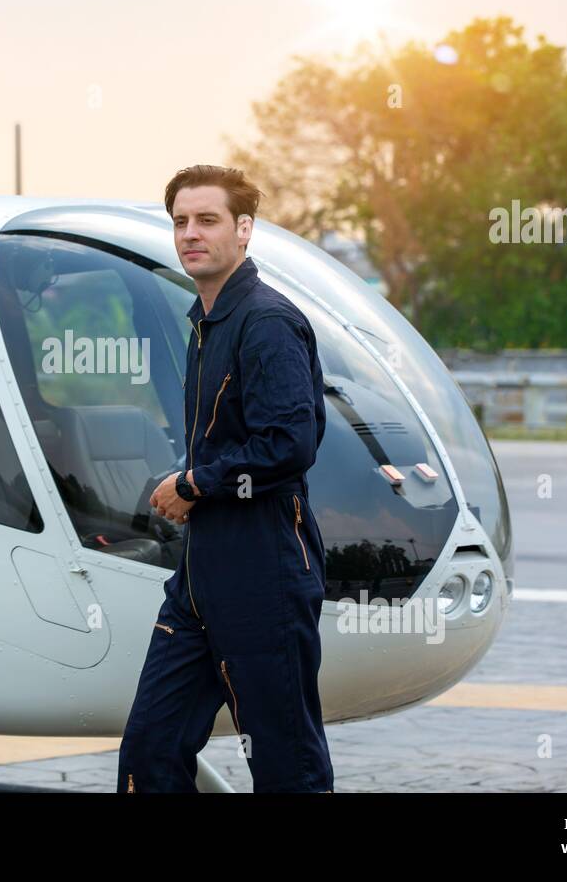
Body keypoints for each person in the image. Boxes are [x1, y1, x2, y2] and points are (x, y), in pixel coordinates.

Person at [116, 164, 333, 793]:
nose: (190, 233)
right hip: (202, 575)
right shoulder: (205, 322)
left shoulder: (266, 323)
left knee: (284, 759)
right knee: (151, 748)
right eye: (180, 221)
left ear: (244, 230)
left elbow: (289, 445)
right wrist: (197, 483)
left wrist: (193, 484)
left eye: (207, 220)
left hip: (264, 569)